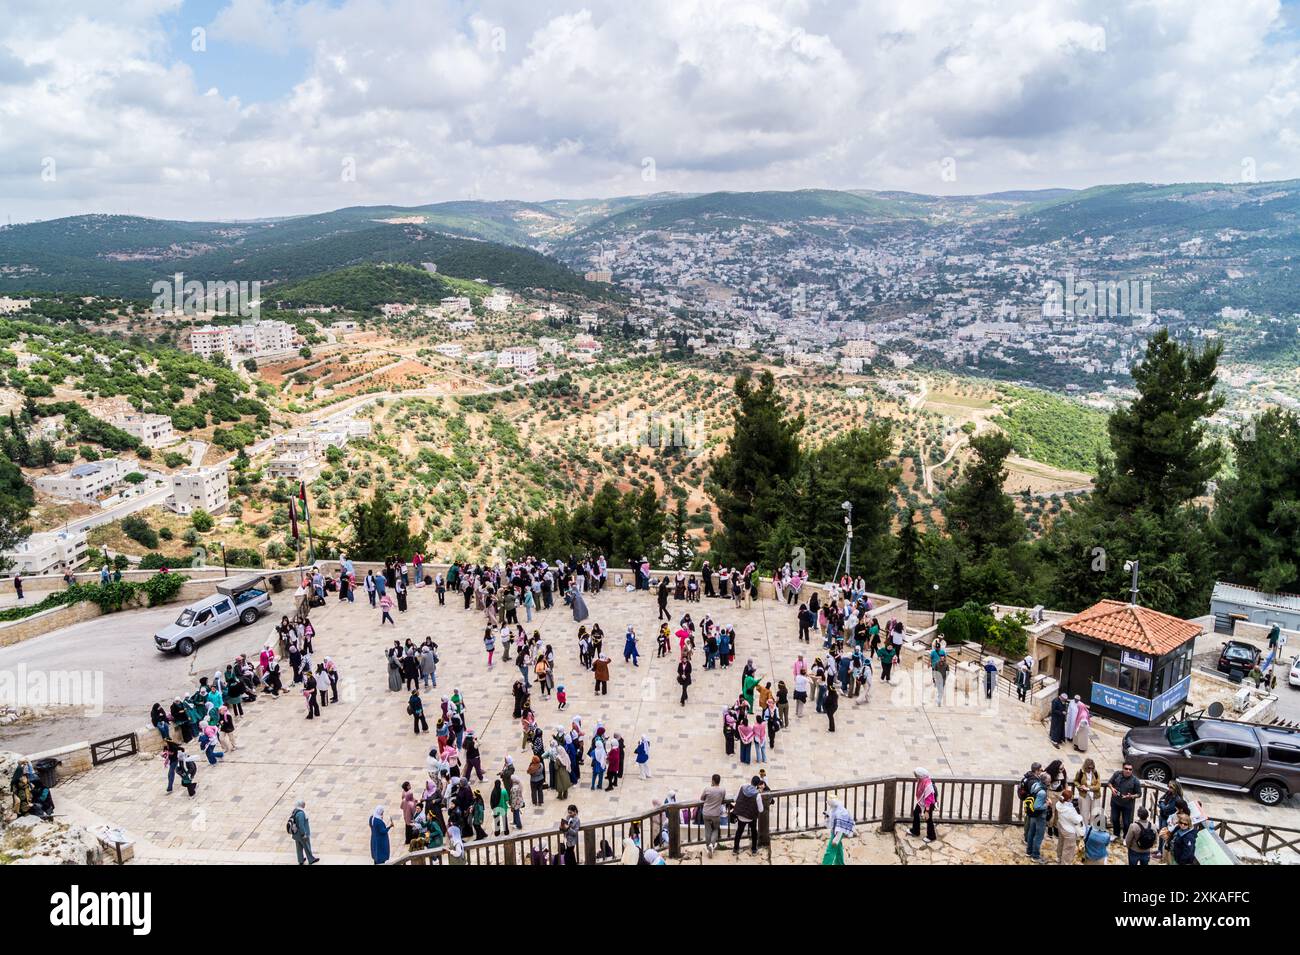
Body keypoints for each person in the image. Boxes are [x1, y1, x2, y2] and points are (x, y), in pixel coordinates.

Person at [732, 775, 764, 856]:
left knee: (739, 832)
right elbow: (761, 810)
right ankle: (754, 850)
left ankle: (735, 849)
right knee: (754, 832)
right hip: (751, 817)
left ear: (751, 781)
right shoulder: (758, 795)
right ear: (757, 785)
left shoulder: (742, 787)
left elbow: (735, 799)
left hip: (741, 816)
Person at [1108, 762, 1141, 837]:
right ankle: (1116, 834)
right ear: (1123, 769)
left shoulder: (1135, 780)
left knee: (1126, 823)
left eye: (1130, 769)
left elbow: (1139, 794)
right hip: (1115, 802)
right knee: (1115, 819)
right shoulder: (1117, 774)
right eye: (1126, 769)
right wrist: (1112, 789)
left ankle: (1126, 837)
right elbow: (1109, 782)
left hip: (1127, 805)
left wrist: (1131, 796)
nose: (1128, 771)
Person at [1053, 786, 1083, 864]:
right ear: (1069, 799)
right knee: (1069, 848)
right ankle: (1065, 862)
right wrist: (1080, 816)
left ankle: (1059, 857)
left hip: (1061, 825)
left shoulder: (1058, 804)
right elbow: (1077, 819)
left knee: (1061, 843)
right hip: (1069, 830)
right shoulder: (1070, 810)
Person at [822, 798, 855, 865]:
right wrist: (827, 818)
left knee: (830, 851)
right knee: (838, 848)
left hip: (837, 833)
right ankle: (839, 863)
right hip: (835, 831)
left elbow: (841, 828)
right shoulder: (834, 809)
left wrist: (836, 839)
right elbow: (830, 824)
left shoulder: (840, 813)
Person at [699, 774, 726, 857]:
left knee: (708, 830)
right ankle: (712, 845)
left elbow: (701, 798)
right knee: (715, 829)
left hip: (706, 813)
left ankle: (708, 847)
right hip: (716, 814)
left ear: (713, 780)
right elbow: (723, 799)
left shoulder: (707, 789)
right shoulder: (722, 790)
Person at [289, 799, 320, 865]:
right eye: (303, 804)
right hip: (301, 834)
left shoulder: (295, 811)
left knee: (299, 847)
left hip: (296, 834)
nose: (304, 805)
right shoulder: (301, 813)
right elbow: (301, 825)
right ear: (301, 805)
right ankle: (311, 859)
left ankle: (300, 860)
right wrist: (304, 834)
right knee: (307, 847)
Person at [910, 767, 937, 842]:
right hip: (922, 802)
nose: (916, 776)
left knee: (928, 819)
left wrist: (927, 811)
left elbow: (929, 798)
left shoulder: (927, 784)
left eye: (917, 775)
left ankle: (931, 836)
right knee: (916, 812)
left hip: (928, 805)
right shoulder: (922, 780)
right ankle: (915, 830)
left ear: (921, 775)